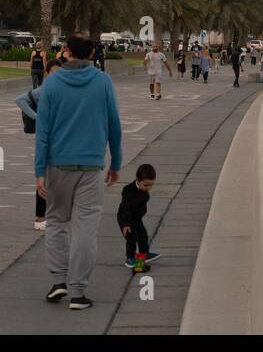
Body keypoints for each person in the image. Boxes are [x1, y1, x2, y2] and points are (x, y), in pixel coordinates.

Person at [35, 36, 122, 311]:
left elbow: (43, 131)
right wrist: (116, 163)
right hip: (91, 165)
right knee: (85, 227)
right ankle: (78, 292)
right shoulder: (103, 82)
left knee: (57, 221)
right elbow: (114, 125)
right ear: (93, 53)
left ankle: (58, 280)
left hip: (57, 165)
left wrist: (39, 171)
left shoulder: (51, 83)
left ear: (67, 53)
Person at [17, 59, 62, 230]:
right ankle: (40, 217)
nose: (57, 77)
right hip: (46, 139)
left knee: (57, 177)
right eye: (54, 73)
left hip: (60, 139)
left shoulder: (63, 91)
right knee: (45, 176)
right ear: (47, 74)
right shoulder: (43, 90)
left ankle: (51, 215)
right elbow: (20, 100)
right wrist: (37, 117)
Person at [117, 163, 161, 271]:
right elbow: (126, 207)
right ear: (138, 180)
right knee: (132, 237)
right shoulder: (128, 190)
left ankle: (143, 256)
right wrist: (126, 224)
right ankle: (130, 258)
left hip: (136, 217)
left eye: (151, 185)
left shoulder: (144, 191)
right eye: (146, 185)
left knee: (143, 235)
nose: (148, 188)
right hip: (126, 217)